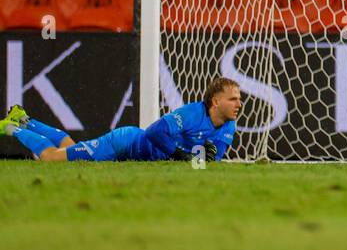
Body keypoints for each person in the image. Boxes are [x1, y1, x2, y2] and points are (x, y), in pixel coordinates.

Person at [1, 77, 241, 163]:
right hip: (124, 144)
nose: (239, 104)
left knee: (68, 149)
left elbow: (213, 156)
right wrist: (182, 155)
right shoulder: (191, 113)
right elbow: (153, 133)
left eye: (239, 99)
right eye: (233, 99)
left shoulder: (229, 123)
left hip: (134, 152)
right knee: (52, 158)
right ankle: (11, 127)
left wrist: (203, 159)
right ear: (216, 102)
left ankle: (25, 119)